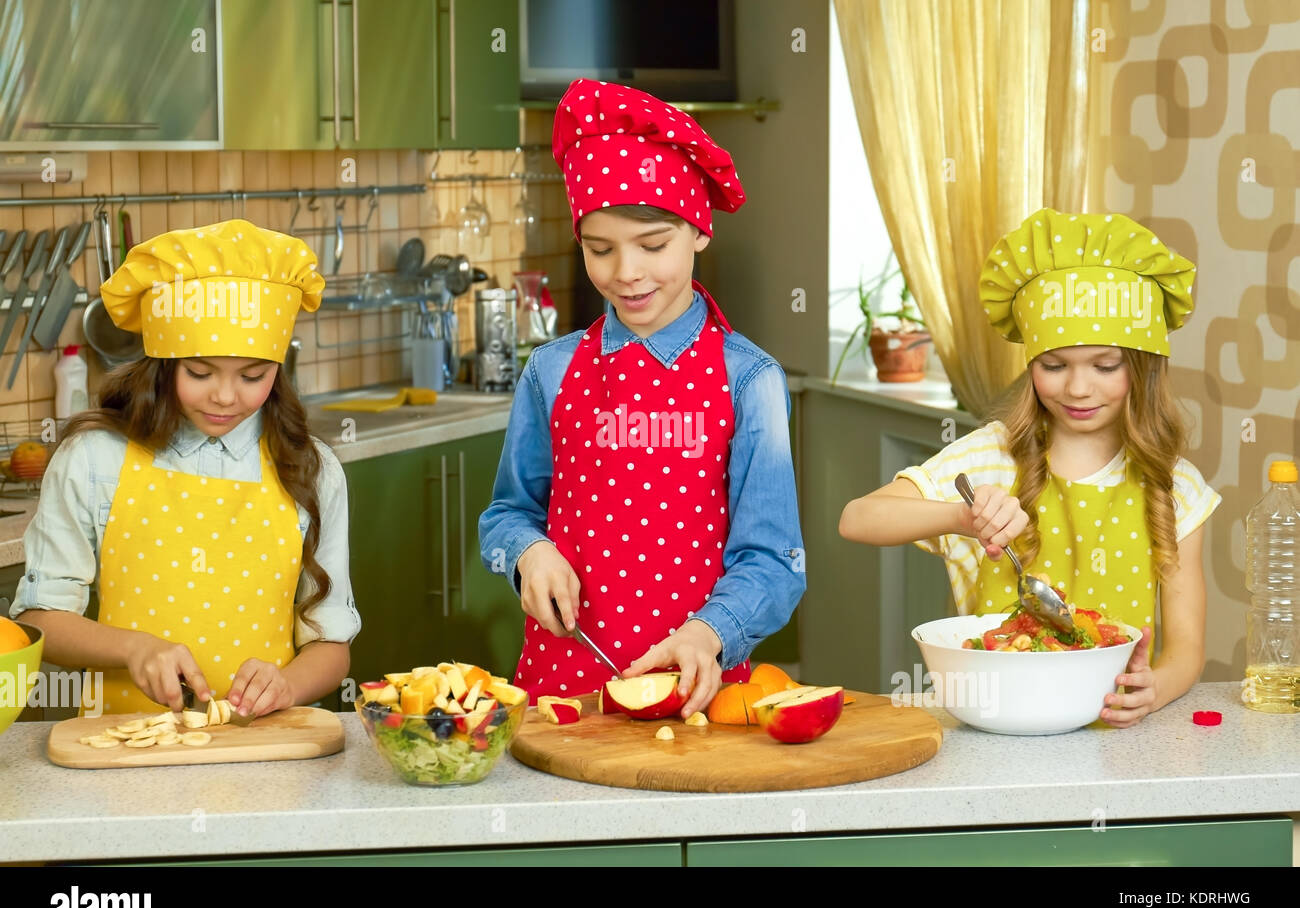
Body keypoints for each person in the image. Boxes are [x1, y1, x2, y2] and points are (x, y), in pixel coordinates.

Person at [480, 78, 805, 718]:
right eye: (600, 250)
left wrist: (708, 633)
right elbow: (505, 516)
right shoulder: (550, 370)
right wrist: (529, 552)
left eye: (652, 246)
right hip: (560, 697)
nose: (626, 272)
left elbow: (774, 562)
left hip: (701, 699)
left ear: (699, 233)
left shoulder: (749, 380)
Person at [840, 209, 1220, 727]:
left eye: (1105, 366)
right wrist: (960, 519)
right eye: (1054, 365)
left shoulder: (1177, 488)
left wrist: (1154, 689)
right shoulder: (991, 457)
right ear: (1029, 364)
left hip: (1118, 741)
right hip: (997, 727)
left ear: (1144, 366)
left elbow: (1185, 651)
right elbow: (857, 519)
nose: (1078, 388)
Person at [14, 219, 360, 717]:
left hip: (263, 752)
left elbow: (332, 645)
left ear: (278, 370)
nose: (224, 396)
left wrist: (285, 685)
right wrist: (135, 648)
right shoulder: (94, 458)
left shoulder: (311, 469)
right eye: (199, 372)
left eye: (252, 375)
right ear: (163, 363)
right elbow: (40, 618)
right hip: (122, 751)